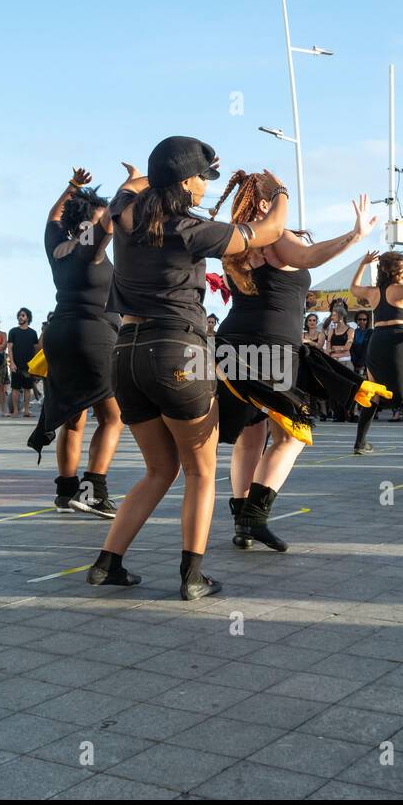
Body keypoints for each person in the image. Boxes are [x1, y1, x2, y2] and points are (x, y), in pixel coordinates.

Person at [82, 136, 287, 600]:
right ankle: (193, 577)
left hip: (127, 353)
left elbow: (131, 186)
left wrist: (143, 172)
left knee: (158, 469)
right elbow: (270, 231)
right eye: (201, 178)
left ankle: (107, 563)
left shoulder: (123, 212)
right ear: (184, 180)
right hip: (177, 351)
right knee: (199, 472)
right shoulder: (190, 228)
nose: (203, 187)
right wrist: (279, 191)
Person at [209, 170, 375, 551]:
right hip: (271, 351)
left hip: (233, 347)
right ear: (267, 204)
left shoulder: (238, 241)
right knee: (293, 434)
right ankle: (254, 517)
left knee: (251, 436)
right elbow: (309, 256)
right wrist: (355, 235)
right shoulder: (275, 238)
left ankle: (241, 521)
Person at [26, 168, 124, 518]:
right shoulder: (91, 248)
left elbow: (53, 215)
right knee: (113, 416)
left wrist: (72, 187)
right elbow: (114, 213)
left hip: (59, 334)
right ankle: (93, 490)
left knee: (73, 417)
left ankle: (66, 492)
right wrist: (136, 182)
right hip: (93, 335)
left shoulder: (56, 244)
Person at [351, 251, 403, 456]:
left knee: (373, 391)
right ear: (393, 269)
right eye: (401, 266)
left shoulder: (374, 292)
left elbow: (353, 289)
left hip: (378, 340)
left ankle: (360, 443)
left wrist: (363, 264)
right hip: (399, 339)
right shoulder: (400, 289)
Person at [7, 308, 40, 418]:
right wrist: (12, 363)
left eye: (23, 315)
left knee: (27, 389)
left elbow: (36, 350)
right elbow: (10, 348)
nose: (20, 317)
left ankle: (26, 411)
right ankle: (16, 411)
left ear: (28, 318)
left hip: (28, 366)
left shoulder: (33, 333)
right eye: (19, 315)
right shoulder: (13, 331)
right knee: (15, 388)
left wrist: (35, 366)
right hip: (16, 365)